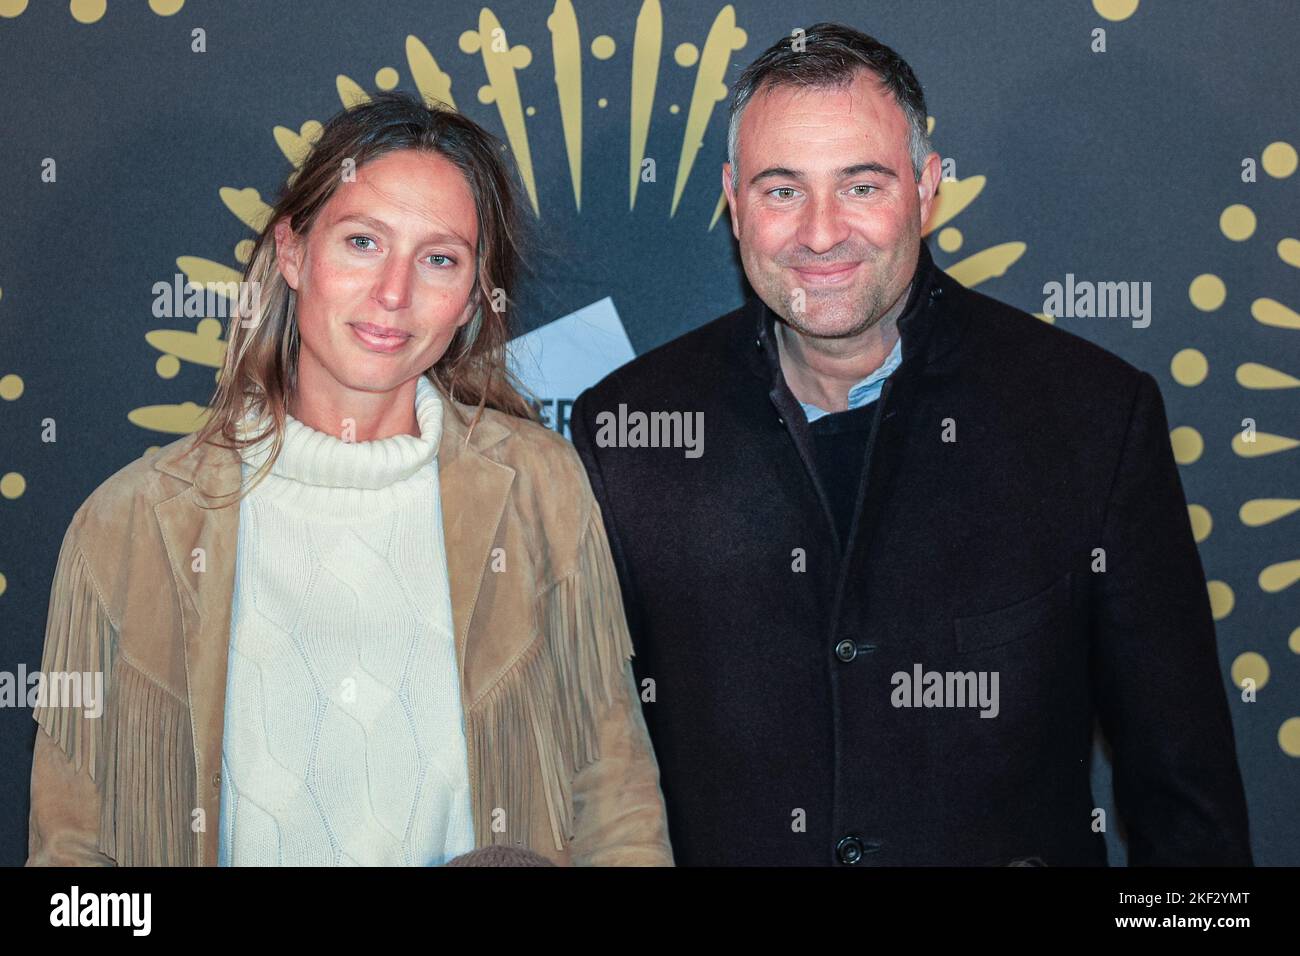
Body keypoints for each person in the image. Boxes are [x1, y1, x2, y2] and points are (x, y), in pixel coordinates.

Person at [570, 23, 1252, 866]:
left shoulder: (1092, 421)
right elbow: (592, 773)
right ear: (733, 200)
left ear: (927, 190)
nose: (821, 234)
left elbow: (1187, 806)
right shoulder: (627, 431)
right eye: (782, 190)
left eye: (862, 185)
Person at [27, 92, 673, 867]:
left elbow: (614, 805)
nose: (394, 295)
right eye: (363, 242)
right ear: (293, 253)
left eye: (439, 259)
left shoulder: (540, 490)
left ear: (472, 296)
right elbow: (72, 865)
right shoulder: (128, 525)